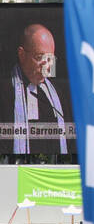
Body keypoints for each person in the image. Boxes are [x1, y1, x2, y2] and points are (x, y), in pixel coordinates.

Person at [0, 23, 72, 156]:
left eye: (50, 59)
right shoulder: (5, 91)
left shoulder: (59, 94)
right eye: (39, 58)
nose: (47, 67)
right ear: (22, 54)